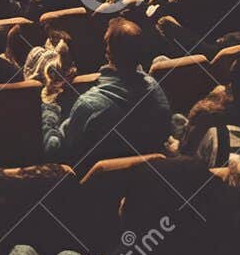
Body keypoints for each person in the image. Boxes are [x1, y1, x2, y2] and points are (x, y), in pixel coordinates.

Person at [40, 17, 171, 170]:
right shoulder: (156, 90)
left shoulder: (88, 105)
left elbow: (56, 154)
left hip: (94, 188)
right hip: (146, 181)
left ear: (108, 53)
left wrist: (49, 107)